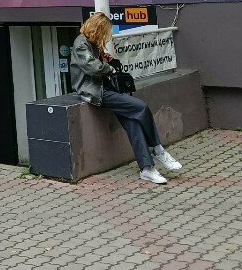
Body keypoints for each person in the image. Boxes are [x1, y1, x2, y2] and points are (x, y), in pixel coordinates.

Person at [70, 12, 183, 184]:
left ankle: (147, 169)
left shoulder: (91, 43)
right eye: (105, 32)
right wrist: (109, 68)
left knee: (133, 123)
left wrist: (106, 59)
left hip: (105, 88)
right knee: (141, 107)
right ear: (97, 29)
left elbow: (97, 63)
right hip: (94, 92)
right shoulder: (81, 44)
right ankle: (158, 150)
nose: (106, 36)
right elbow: (92, 67)